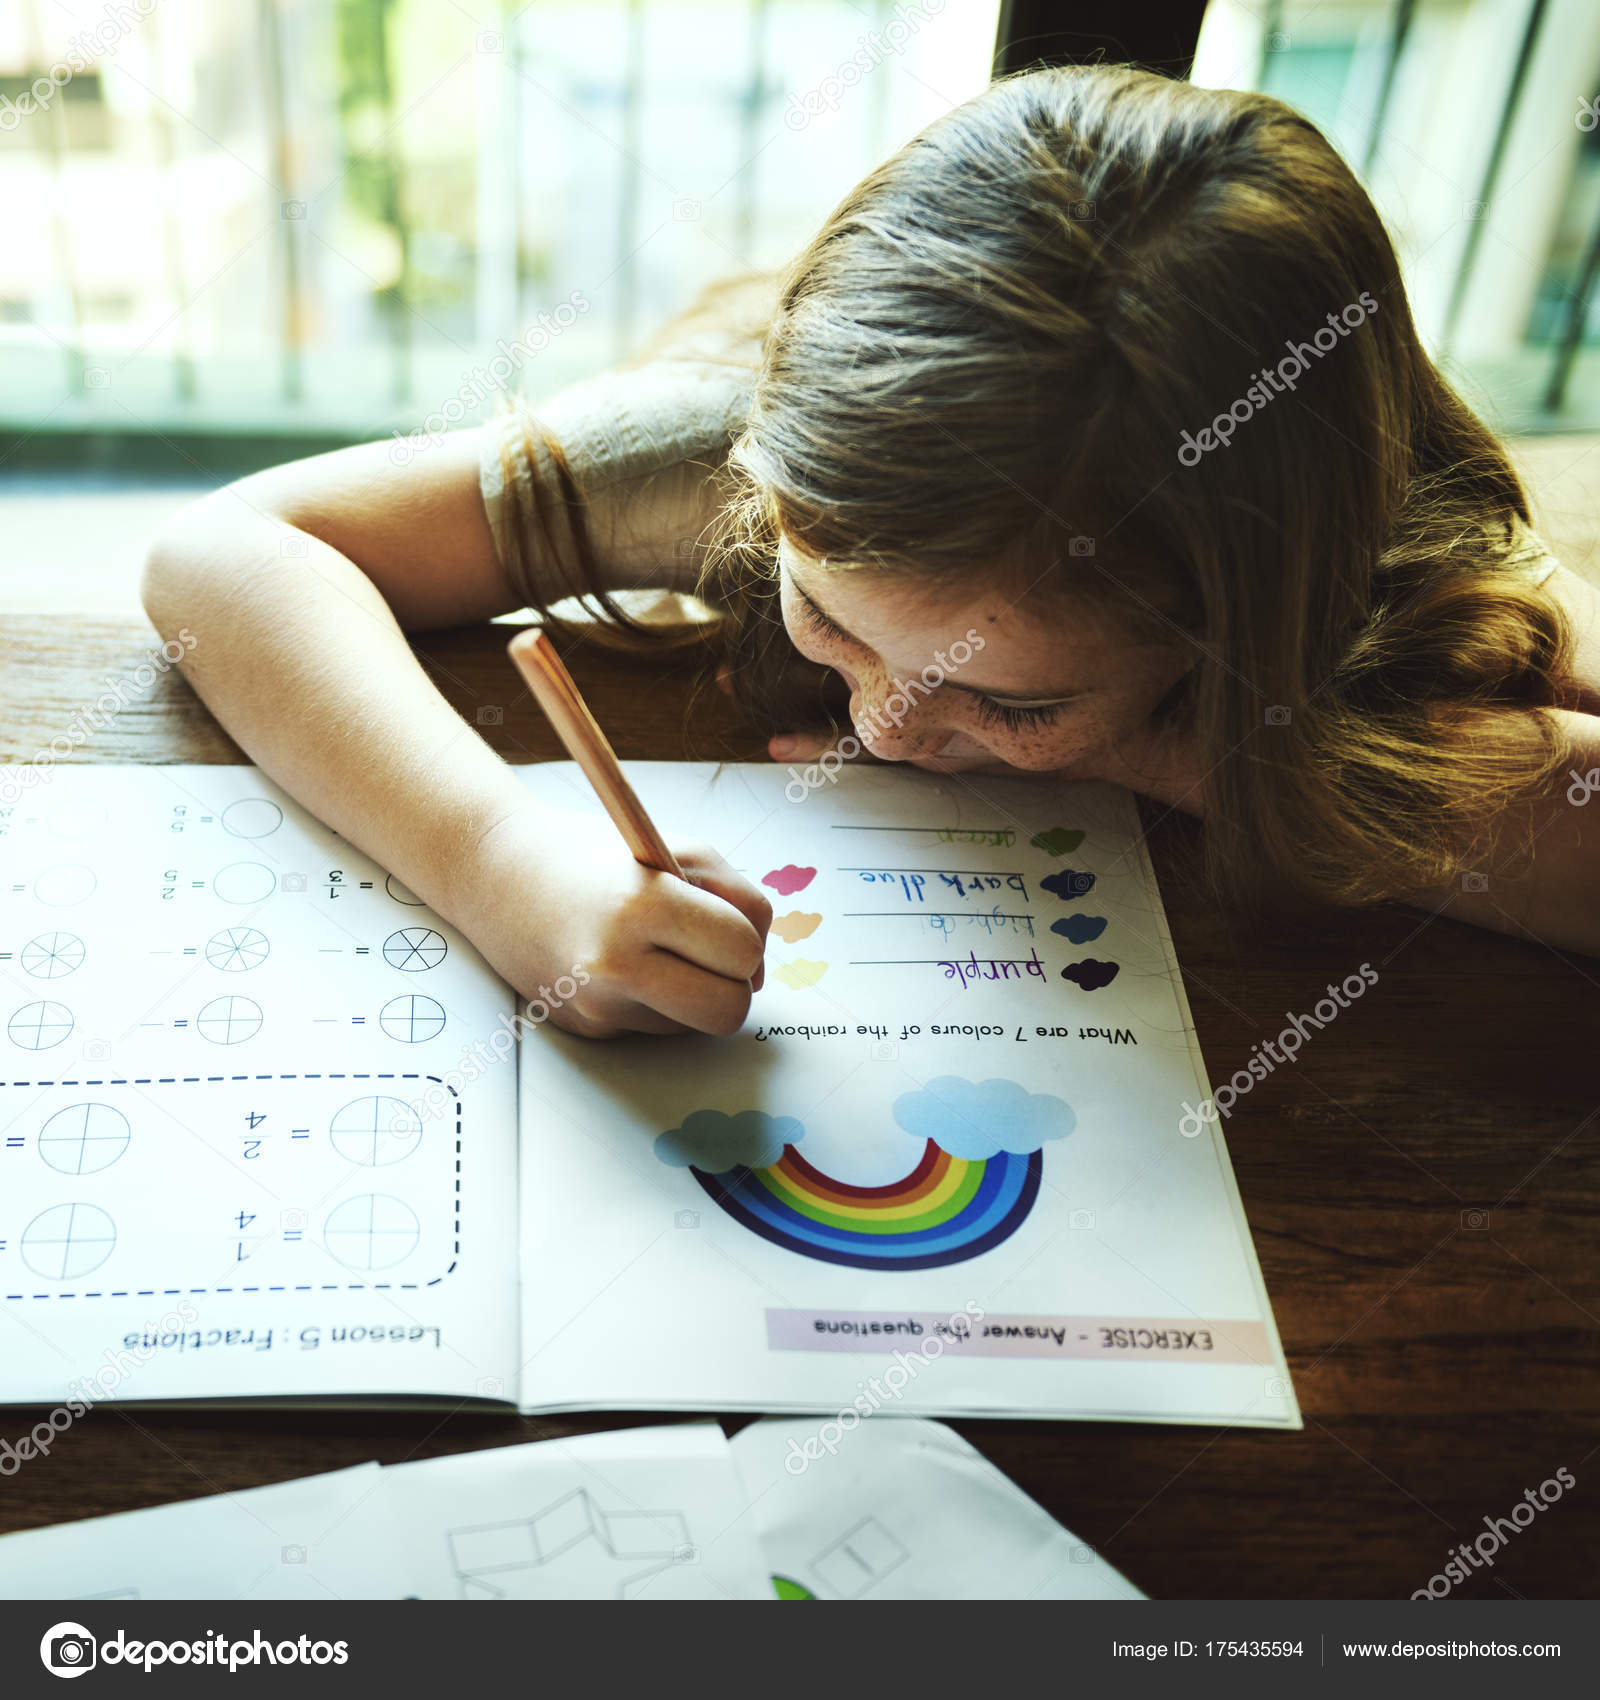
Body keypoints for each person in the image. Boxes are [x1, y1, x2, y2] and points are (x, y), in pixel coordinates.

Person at [142, 65, 1600, 1039]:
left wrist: (1179, 753)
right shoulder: (736, 454)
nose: (886, 724)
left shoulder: (1409, 561)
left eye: (1018, 700)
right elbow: (225, 553)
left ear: (1257, 619)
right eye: (831, 618)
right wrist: (496, 858)